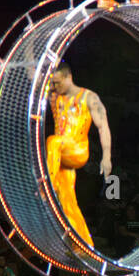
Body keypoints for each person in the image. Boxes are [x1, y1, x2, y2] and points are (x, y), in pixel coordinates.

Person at [45, 62, 112, 249]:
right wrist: (31, 49)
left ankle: (46, 187)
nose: (54, 87)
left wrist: (106, 157)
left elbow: (103, 126)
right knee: (68, 202)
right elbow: (31, 75)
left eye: (57, 83)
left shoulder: (89, 97)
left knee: (53, 140)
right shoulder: (54, 96)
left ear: (68, 77)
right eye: (52, 84)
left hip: (77, 150)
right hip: (59, 157)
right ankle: (82, 245)